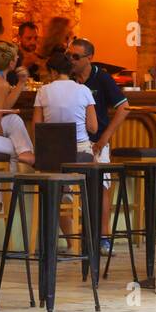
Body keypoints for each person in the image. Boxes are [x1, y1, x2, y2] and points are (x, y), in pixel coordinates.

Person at [67, 38, 129, 254]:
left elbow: (124, 108)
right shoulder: (68, 79)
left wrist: (104, 139)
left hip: (96, 141)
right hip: (71, 142)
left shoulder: (101, 78)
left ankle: (103, 237)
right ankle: (72, 240)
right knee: (65, 188)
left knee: (102, 187)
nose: (71, 60)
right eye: (69, 56)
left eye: (76, 56)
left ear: (89, 58)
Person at [33, 52, 98, 237]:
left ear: (53, 72)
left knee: (56, 183)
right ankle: (89, 237)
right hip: (79, 155)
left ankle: (63, 191)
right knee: (93, 170)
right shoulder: (83, 90)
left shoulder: (43, 91)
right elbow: (93, 127)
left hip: (51, 155)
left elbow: (38, 127)